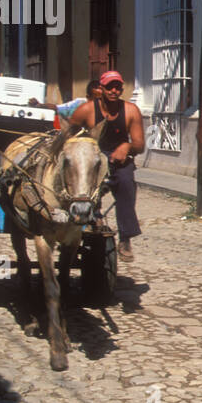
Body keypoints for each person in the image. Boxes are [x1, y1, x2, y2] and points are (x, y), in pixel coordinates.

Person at [69, 70, 145, 261]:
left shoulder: (130, 110)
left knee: (127, 183)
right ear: (101, 89)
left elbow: (140, 144)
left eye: (117, 87)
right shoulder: (86, 110)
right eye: (109, 86)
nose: (113, 90)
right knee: (84, 183)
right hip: (93, 155)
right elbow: (69, 135)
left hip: (119, 159)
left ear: (121, 89)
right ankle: (94, 217)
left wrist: (127, 147)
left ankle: (126, 237)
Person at [29, 80, 101, 121]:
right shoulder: (80, 104)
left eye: (101, 99)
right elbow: (57, 108)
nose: (99, 102)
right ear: (88, 97)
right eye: (96, 100)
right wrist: (40, 105)